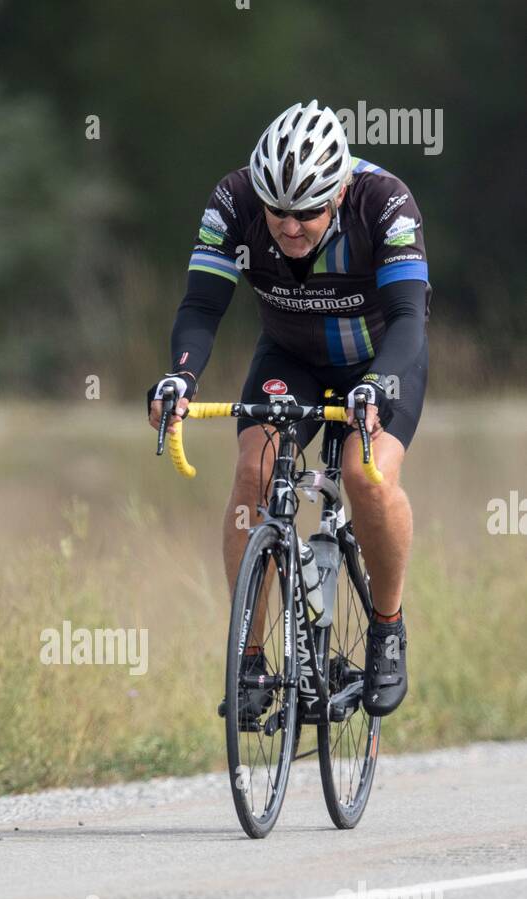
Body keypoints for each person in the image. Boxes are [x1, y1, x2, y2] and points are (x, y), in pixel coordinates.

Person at [147, 99, 430, 716]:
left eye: (307, 213)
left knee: (365, 476)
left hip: (380, 361)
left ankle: (387, 626)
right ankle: (249, 660)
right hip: (291, 358)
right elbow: (201, 307)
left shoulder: (383, 200)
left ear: (340, 190)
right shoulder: (233, 201)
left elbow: (410, 317)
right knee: (253, 471)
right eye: (278, 212)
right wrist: (181, 378)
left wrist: (379, 383)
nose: (290, 228)